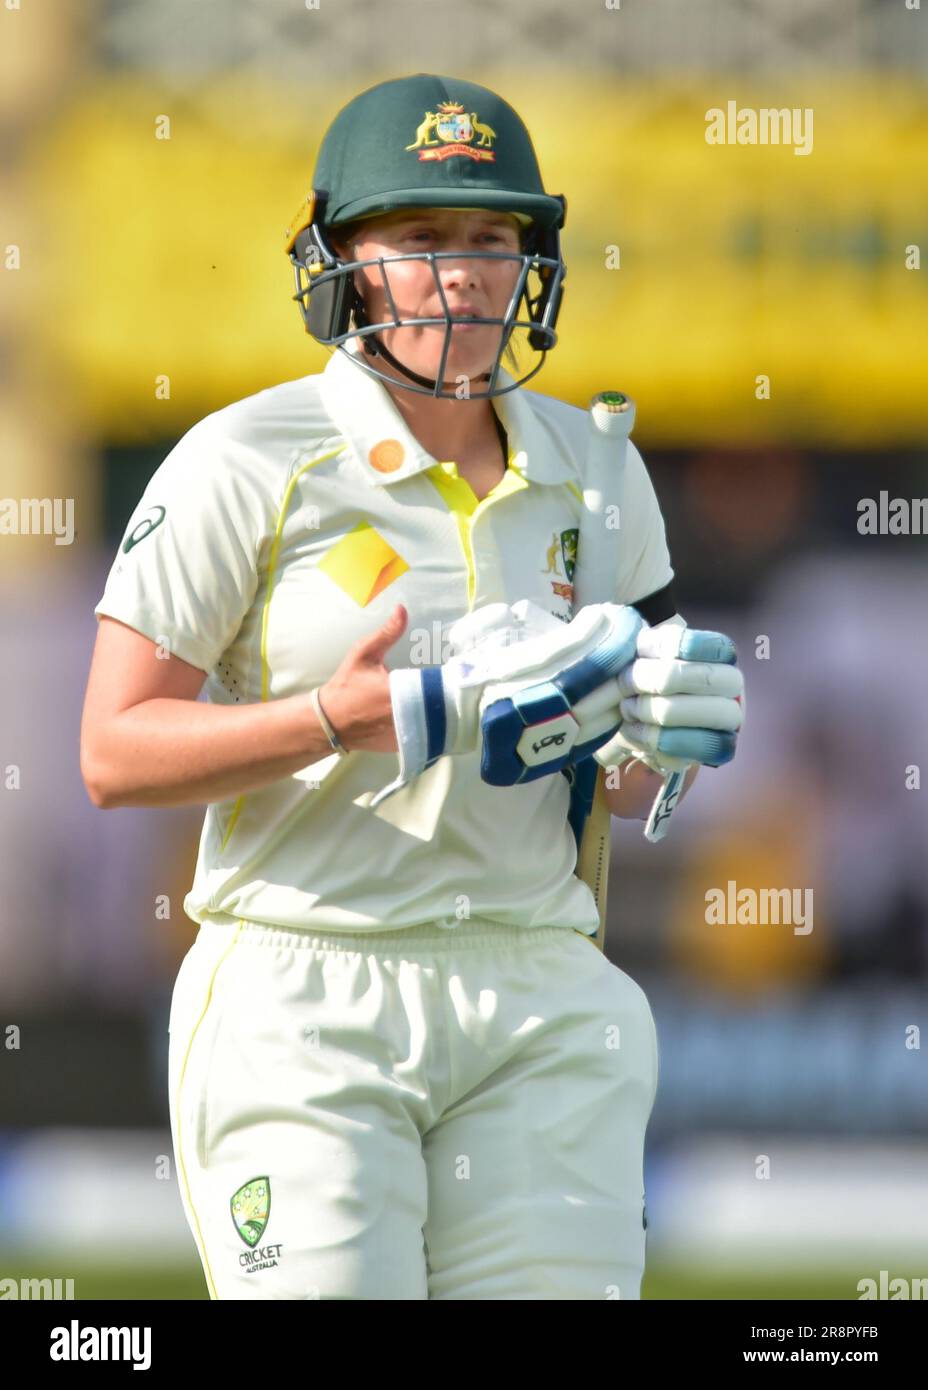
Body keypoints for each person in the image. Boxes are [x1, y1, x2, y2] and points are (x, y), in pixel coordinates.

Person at [80, 73, 742, 1300]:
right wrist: (340, 717)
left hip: (542, 987)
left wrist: (668, 733)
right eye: (420, 240)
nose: (462, 275)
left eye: (492, 240)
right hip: (305, 990)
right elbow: (113, 752)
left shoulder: (597, 464)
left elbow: (623, 763)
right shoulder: (248, 455)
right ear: (339, 263)